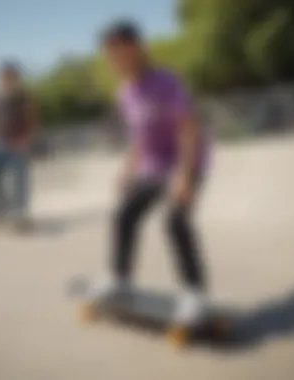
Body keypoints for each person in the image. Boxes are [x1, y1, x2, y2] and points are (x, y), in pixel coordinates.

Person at [93, 21, 211, 325]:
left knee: (174, 220)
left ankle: (194, 294)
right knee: (123, 214)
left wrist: (184, 176)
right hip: (154, 165)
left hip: (188, 159)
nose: (113, 61)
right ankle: (120, 280)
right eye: (109, 55)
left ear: (136, 48)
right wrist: (127, 170)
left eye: (117, 53)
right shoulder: (124, 93)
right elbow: (139, 138)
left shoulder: (166, 81)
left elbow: (188, 127)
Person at [0, 61, 37, 230]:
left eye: (7, 76)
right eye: (1, 76)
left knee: (18, 178)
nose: (3, 79)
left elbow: (31, 117)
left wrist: (26, 139)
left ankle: (19, 214)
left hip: (18, 141)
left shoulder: (21, 96)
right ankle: (0, 208)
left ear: (14, 77)